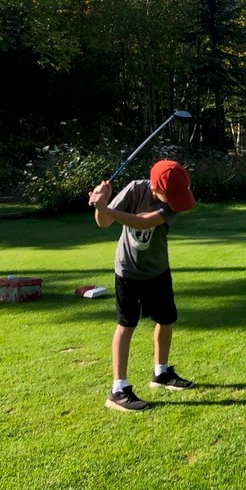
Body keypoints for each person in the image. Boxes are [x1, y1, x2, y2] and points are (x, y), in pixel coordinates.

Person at [89, 160, 197, 412]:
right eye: (169, 195)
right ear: (155, 186)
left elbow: (143, 222)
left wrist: (105, 207)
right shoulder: (136, 189)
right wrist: (101, 202)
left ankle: (161, 373)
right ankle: (118, 389)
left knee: (166, 319)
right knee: (126, 325)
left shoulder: (171, 205)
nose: (174, 201)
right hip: (127, 271)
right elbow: (102, 222)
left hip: (158, 269)